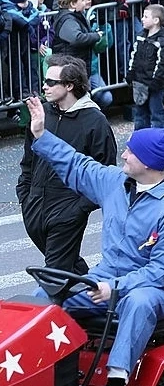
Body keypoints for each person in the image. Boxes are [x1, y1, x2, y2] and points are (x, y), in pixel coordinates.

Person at [23, 99, 164, 386]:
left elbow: (162, 273)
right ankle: (48, 383)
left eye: (130, 152)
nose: (123, 155)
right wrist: (42, 135)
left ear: (147, 162)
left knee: (138, 301)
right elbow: (75, 164)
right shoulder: (113, 182)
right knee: (46, 294)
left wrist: (114, 288)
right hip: (106, 279)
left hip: (159, 291)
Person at [17, 55, 117, 276]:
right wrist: (25, 195)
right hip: (34, 206)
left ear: (70, 85)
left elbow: (106, 174)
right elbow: (28, 160)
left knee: (55, 274)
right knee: (68, 266)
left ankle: (64, 306)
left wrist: (78, 209)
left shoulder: (95, 121)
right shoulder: (43, 112)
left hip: (67, 211)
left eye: (51, 82)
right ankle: (94, 295)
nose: (45, 86)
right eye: (45, 80)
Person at [52, 0, 113, 110]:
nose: (85, 1)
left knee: (96, 99)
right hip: (71, 68)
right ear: (73, 3)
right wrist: (95, 36)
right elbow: (76, 38)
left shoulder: (75, 16)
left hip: (79, 67)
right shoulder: (67, 19)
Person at [126, 4, 164, 130]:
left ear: (156, 20)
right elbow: (134, 55)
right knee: (140, 114)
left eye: (146, 16)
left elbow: (163, 63)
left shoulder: (163, 41)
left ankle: (159, 140)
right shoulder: (141, 36)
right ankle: (140, 140)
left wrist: (156, 81)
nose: (142, 19)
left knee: (156, 113)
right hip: (140, 82)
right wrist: (131, 72)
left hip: (154, 85)